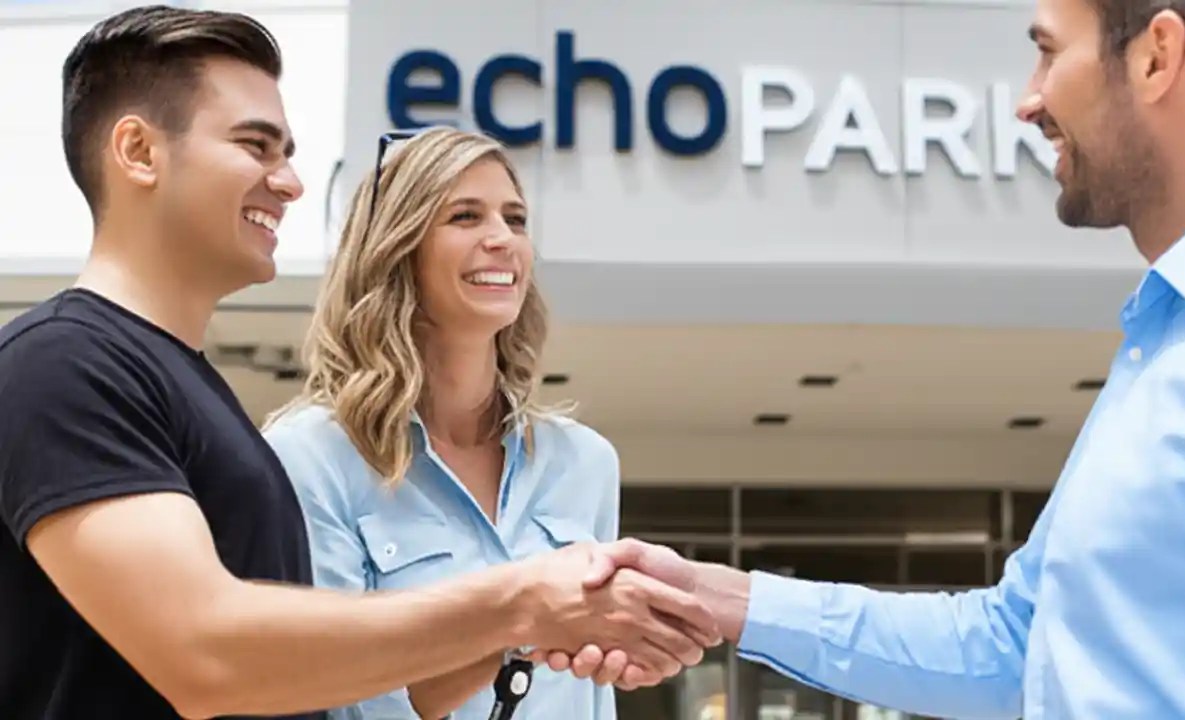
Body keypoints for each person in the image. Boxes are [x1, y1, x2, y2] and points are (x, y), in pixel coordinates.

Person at [553, 0, 1185, 717]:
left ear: (1157, 55)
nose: (1029, 101)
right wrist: (716, 598)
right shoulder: (1175, 333)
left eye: (1050, 51)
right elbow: (1013, 645)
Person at [0, 6, 718, 720]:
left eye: (286, 153)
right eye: (256, 146)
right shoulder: (63, 367)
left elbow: (294, 665)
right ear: (139, 151)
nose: (290, 182)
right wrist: (523, 601)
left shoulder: (189, 390)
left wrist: (529, 628)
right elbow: (204, 654)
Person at [261, 126, 631, 719]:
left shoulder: (584, 463)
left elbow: (592, 698)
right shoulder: (310, 456)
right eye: (465, 217)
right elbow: (344, 695)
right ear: (397, 246)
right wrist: (524, 617)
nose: (502, 240)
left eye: (515, 219)